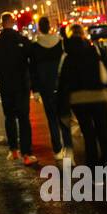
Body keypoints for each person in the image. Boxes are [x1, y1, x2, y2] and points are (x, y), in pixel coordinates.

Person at [56, 24, 107, 174]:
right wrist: (103, 84)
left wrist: (62, 108)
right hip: (98, 97)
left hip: (78, 100)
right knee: (103, 131)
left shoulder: (67, 55)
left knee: (88, 133)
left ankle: (93, 166)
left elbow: (63, 83)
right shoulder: (95, 50)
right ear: (83, 34)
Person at [0, 12, 37, 165]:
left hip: (5, 86)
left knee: (10, 118)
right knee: (24, 118)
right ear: (12, 22)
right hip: (21, 85)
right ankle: (27, 153)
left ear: (1, 23)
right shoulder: (22, 40)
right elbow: (33, 61)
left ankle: (13, 150)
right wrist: (34, 84)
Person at [30, 16, 72, 159]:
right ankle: (68, 148)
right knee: (64, 117)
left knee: (52, 118)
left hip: (45, 86)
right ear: (50, 27)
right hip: (61, 85)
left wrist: (35, 90)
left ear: (39, 28)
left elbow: (33, 70)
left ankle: (57, 149)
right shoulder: (60, 43)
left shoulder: (35, 47)